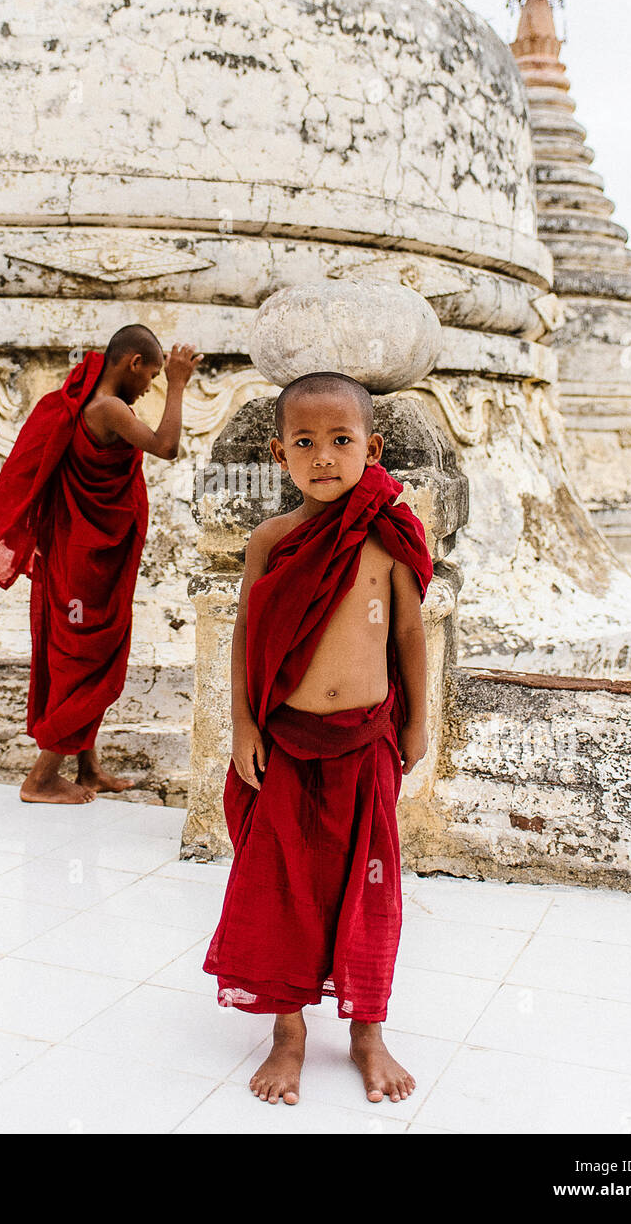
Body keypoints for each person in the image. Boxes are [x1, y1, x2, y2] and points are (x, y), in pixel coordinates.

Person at [203, 371, 434, 1105]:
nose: (324, 456)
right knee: (281, 889)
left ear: (373, 446)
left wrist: (417, 721)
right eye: (305, 442)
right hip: (285, 743)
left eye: (341, 440)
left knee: (367, 892)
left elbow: (405, 633)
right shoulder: (271, 540)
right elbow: (247, 633)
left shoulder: (387, 536)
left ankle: (367, 1031)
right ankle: (288, 1032)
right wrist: (241, 725)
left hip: (364, 742)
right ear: (278, 454)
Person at [0, 325, 201, 803]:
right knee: (86, 661)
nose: (152, 385)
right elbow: (167, 447)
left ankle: (88, 768)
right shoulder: (108, 408)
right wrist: (182, 383)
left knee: (93, 653)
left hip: (87, 550)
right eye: (155, 374)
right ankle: (41, 777)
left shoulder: (94, 401)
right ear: (133, 363)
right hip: (85, 558)